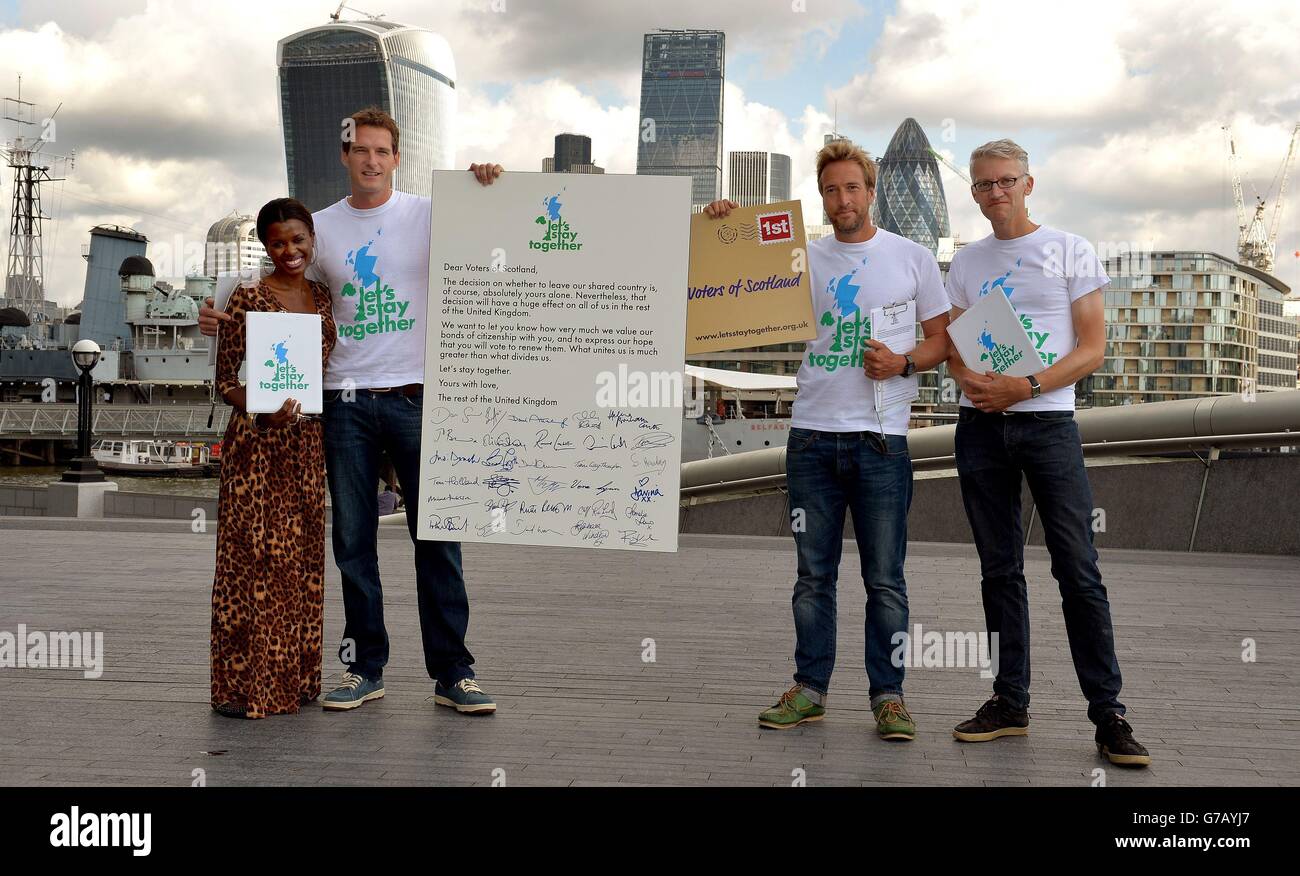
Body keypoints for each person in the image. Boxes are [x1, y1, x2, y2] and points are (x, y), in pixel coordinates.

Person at [201, 106, 503, 715]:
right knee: (351, 542)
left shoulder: (429, 213)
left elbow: (501, 236)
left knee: (438, 538)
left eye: (382, 151)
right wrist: (215, 310)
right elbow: (274, 287)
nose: (370, 160)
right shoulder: (322, 228)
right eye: (359, 150)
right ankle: (366, 667)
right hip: (342, 403)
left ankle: (454, 673)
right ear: (345, 156)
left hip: (420, 396)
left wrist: (488, 184)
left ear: (396, 157)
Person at [707, 139, 951, 740]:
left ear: (871, 193)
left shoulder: (913, 257)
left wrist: (902, 363)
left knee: (885, 580)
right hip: (813, 436)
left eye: (851, 188)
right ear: (822, 198)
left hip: (882, 441)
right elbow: (726, 279)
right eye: (831, 190)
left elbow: (943, 342)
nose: (842, 199)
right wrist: (719, 225)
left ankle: (889, 697)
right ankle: (810, 689)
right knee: (812, 576)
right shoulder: (801, 256)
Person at [945, 138, 1150, 767]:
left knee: (1078, 571)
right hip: (981, 429)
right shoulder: (967, 261)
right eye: (984, 184)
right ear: (975, 193)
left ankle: (1109, 714)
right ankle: (1011, 704)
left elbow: (1093, 349)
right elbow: (955, 346)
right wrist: (977, 384)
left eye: (1007, 181)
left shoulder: (1069, 249)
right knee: (999, 571)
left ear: (1028, 184)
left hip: (1049, 427)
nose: (996, 192)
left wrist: (1025, 386)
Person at [210, 197, 336, 719]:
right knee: (253, 563)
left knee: (302, 562)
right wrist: (264, 412)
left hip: (305, 446)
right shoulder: (245, 297)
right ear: (265, 246)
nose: (290, 250)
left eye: (298, 240)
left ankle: (298, 680)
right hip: (258, 446)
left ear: (312, 240)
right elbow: (225, 382)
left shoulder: (324, 298)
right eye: (278, 242)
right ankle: (243, 688)